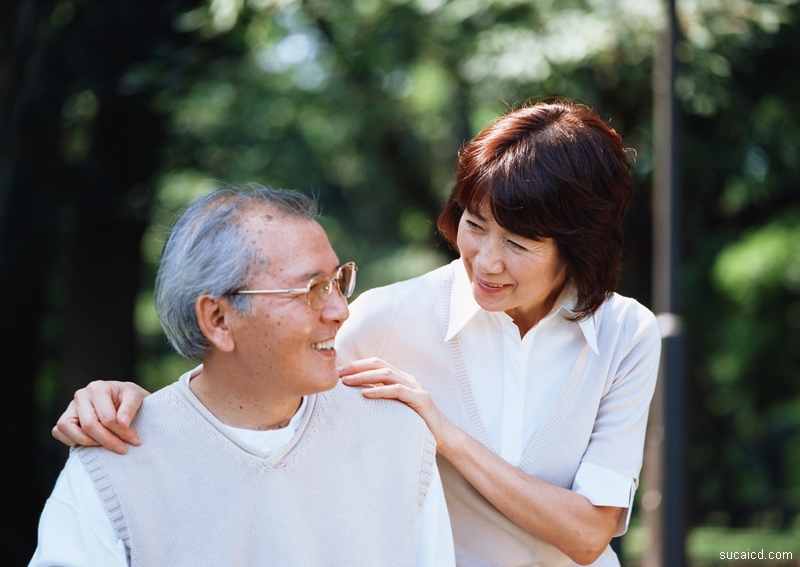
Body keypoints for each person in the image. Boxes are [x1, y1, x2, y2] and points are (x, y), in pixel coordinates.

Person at [52, 99, 661, 566]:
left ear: (576, 247)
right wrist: (126, 401)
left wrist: (443, 435)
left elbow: (589, 534)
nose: (485, 260)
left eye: (520, 244)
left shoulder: (625, 333)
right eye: (475, 225)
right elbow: (255, 378)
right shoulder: (386, 318)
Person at [31, 186, 455, 567]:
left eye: (337, 281)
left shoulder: (396, 437)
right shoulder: (114, 462)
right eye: (312, 290)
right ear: (217, 319)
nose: (340, 310)